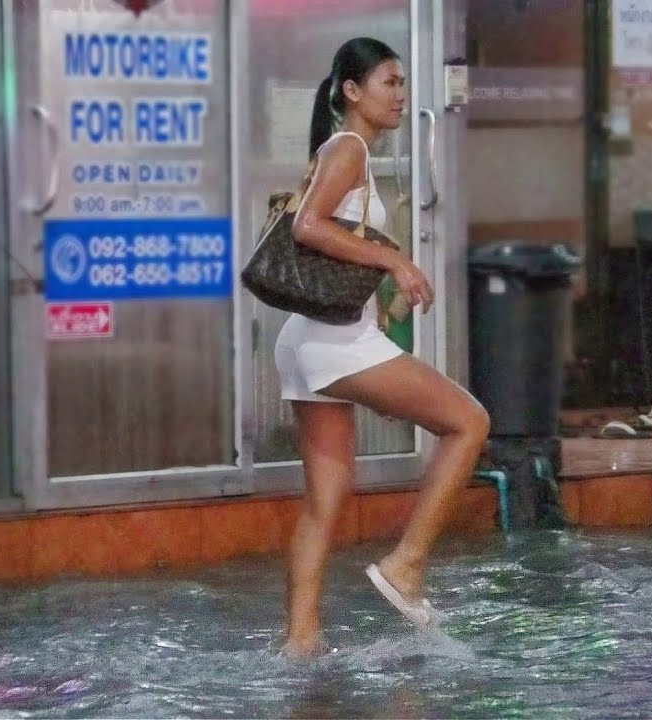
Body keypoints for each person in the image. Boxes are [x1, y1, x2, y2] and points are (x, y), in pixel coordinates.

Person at [275, 37, 490, 660]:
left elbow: (327, 237)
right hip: (335, 341)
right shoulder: (348, 148)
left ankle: (301, 642)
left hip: (307, 338)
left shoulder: (343, 150)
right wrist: (394, 260)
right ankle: (407, 564)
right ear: (352, 90)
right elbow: (307, 227)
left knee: (326, 501)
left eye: (402, 84)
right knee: (469, 423)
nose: (400, 96)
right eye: (389, 83)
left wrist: (384, 293)